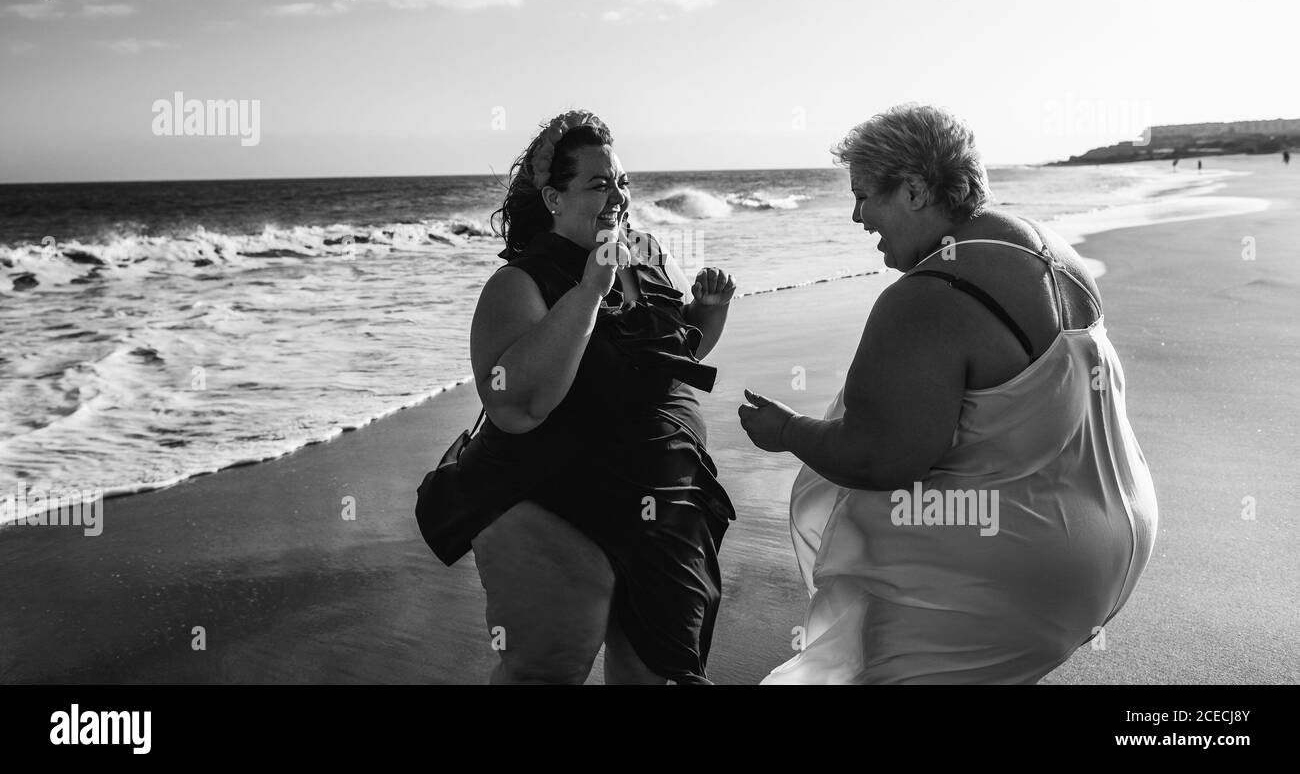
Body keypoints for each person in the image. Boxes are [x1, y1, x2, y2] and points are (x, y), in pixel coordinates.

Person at [738, 104, 1158, 684]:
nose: (857, 216)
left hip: (1007, 576)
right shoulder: (1050, 253)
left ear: (913, 190)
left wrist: (787, 432)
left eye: (864, 196)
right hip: (1109, 542)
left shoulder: (932, 296)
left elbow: (880, 458)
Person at [431, 110, 737, 685]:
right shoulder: (519, 283)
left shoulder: (645, 255)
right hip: (555, 501)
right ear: (552, 198)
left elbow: (668, 360)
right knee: (547, 667)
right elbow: (516, 406)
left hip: (665, 498)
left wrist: (707, 315)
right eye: (598, 184)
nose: (618, 195)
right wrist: (591, 289)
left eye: (621, 180)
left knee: (656, 672)